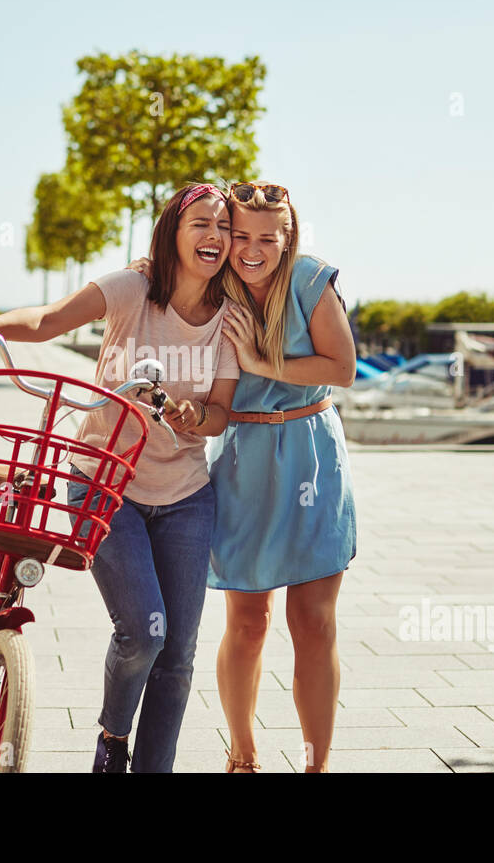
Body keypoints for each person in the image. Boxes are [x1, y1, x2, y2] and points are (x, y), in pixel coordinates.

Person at [0, 182, 240, 772]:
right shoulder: (133, 288)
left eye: (223, 225)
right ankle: (113, 739)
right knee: (145, 632)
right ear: (173, 230)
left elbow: (219, 413)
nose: (214, 236)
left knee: (179, 656)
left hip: (187, 495)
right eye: (200, 223)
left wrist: (197, 415)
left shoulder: (230, 319)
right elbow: (46, 321)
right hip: (104, 482)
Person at [129, 181, 357, 772]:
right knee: (248, 620)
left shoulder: (310, 281)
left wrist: (261, 362)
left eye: (267, 238)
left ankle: (316, 764)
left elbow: (344, 368)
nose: (251, 250)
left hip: (309, 452)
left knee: (313, 621)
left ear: (288, 238)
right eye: (241, 236)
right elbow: (160, 279)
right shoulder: (215, 283)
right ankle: (244, 752)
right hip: (240, 455)